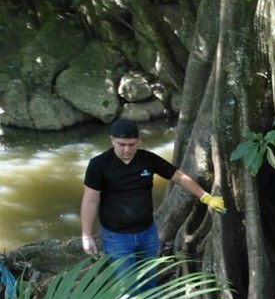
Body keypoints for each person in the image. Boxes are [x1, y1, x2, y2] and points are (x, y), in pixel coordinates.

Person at [80, 118, 224, 286]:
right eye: (122, 144)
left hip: (147, 233)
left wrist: (206, 197)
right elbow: (90, 200)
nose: (127, 149)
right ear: (112, 140)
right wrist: (86, 235)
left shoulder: (147, 159)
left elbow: (178, 176)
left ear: (139, 141)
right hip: (117, 237)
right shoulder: (99, 165)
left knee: (149, 279)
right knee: (127, 284)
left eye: (132, 144)